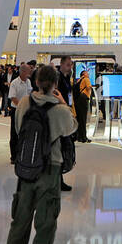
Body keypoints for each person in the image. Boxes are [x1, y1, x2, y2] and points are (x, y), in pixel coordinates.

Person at [3, 65, 76, 244]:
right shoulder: (60, 109)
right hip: (50, 169)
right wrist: (63, 103)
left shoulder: (24, 102)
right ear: (55, 84)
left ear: (35, 81)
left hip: (26, 168)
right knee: (45, 224)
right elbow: (71, 128)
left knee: (19, 222)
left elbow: (19, 129)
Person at [56, 57, 76, 191]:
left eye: (71, 65)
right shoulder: (58, 78)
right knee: (59, 149)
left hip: (65, 113)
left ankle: (59, 179)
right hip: (60, 115)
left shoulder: (66, 78)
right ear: (62, 64)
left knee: (64, 149)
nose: (70, 67)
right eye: (68, 65)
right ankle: (57, 180)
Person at [7, 62, 33, 163]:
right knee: (14, 132)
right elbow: (13, 97)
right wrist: (21, 106)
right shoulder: (14, 83)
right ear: (22, 72)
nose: (30, 72)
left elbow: (30, 93)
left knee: (25, 132)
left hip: (26, 110)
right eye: (28, 70)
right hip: (16, 110)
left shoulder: (28, 82)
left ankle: (23, 154)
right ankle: (14, 156)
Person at [74, 65, 93, 143]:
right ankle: (84, 137)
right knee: (83, 119)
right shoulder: (86, 79)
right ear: (83, 74)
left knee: (79, 119)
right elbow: (88, 88)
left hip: (78, 100)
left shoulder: (79, 80)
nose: (88, 74)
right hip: (83, 99)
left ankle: (79, 136)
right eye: (87, 73)